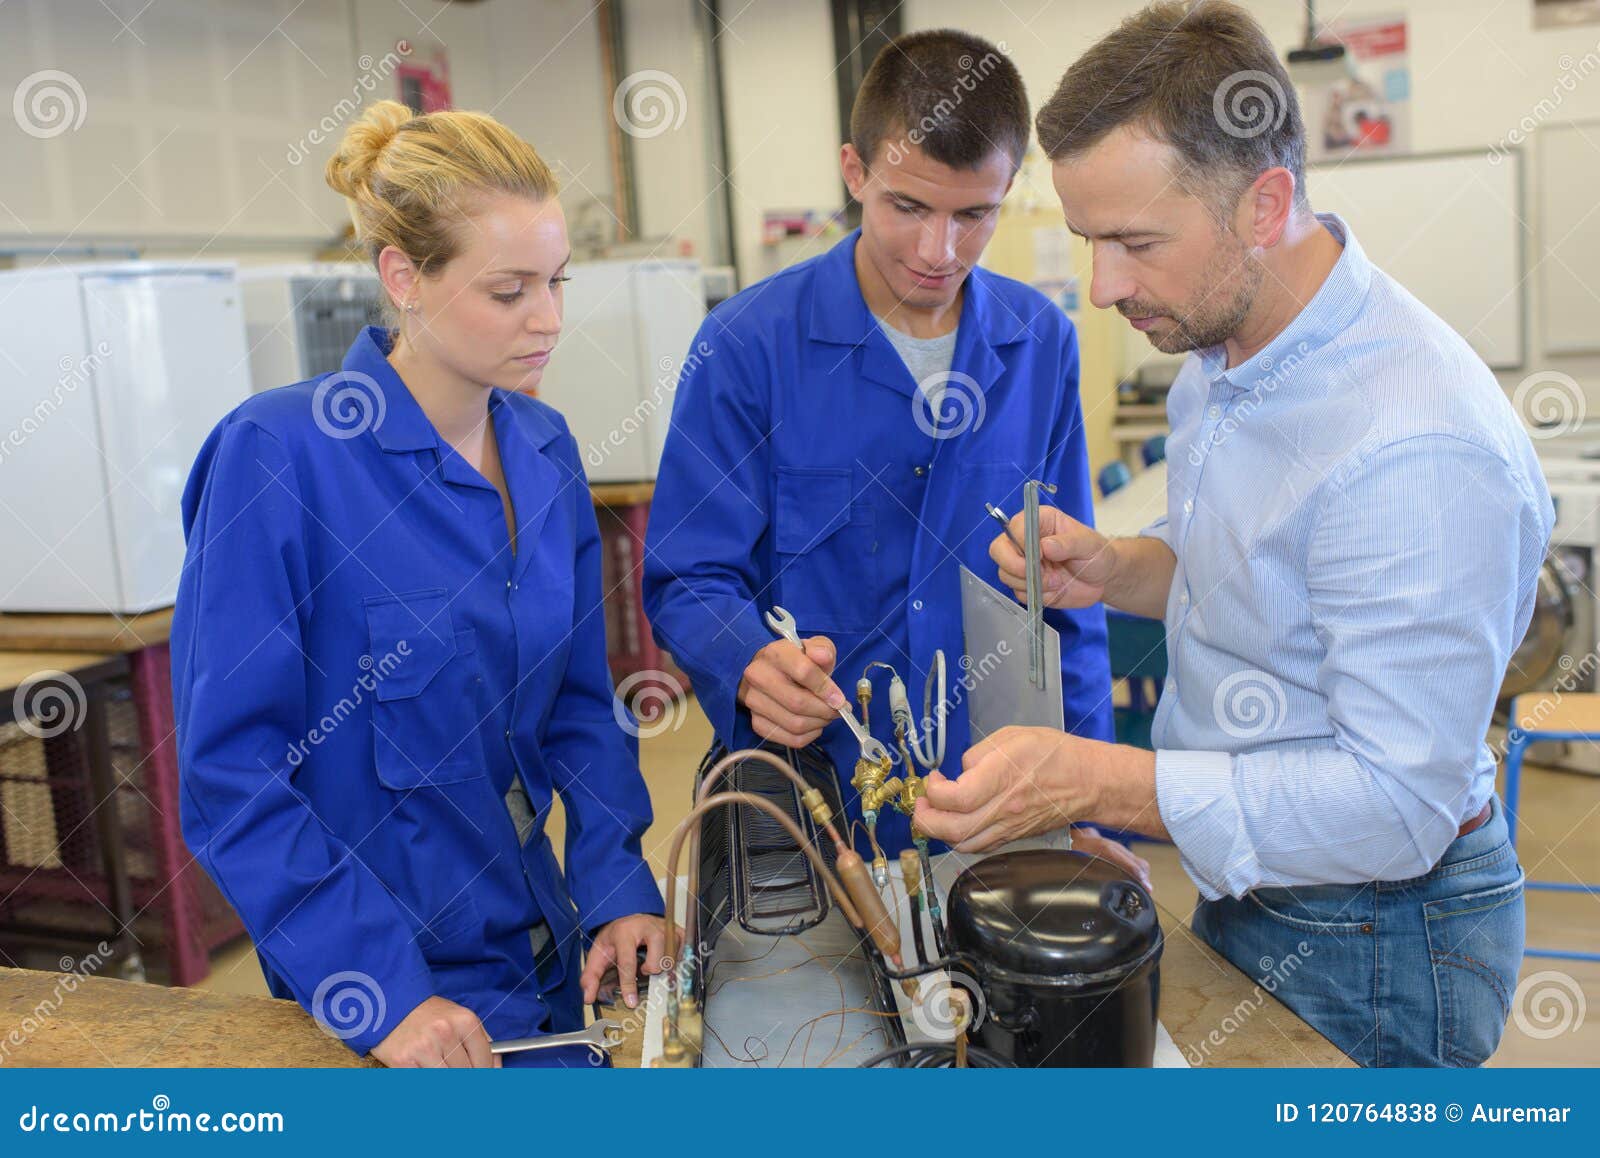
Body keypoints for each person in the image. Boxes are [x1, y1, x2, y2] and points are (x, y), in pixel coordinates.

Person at [915, 1, 1553, 1068]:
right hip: (1251, 878)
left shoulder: (1413, 447)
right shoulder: (1224, 352)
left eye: (1132, 243)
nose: (1101, 288)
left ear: (1263, 206)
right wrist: (1118, 569)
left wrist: (1098, 783)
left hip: (1380, 934)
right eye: (1087, 242)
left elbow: (1398, 803)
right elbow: (1265, 583)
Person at [172, 100, 665, 1068]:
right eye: (509, 290)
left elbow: (573, 704)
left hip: (548, 948)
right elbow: (232, 774)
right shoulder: (280, 458)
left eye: (556, 283)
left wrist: (615, 883)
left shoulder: (544, 449)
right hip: (388, 987)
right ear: (404, 277)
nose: (550, 319)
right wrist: (381, 996)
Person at [643, 30, 1133, 872]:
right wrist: (747, 659)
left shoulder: (1039, 344)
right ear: (854, 172)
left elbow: (1068, 605)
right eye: (908, 207)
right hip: (805, 810)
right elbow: (688, 576)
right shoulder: (746, 347)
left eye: (973, 215)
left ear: (1007, 192)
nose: (937, 252)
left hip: (994, 805)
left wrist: (1094, 808)